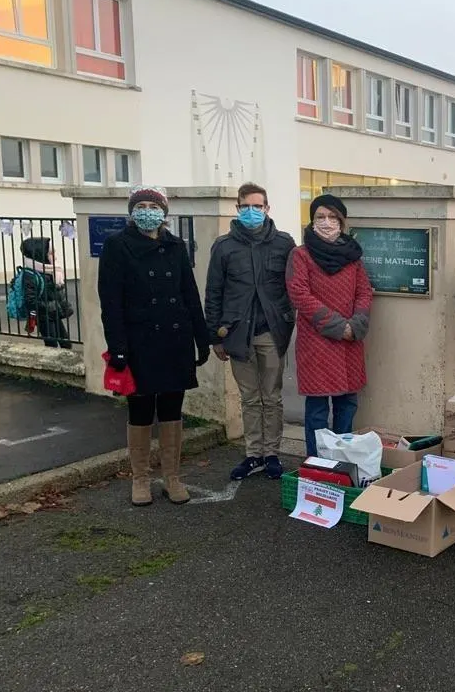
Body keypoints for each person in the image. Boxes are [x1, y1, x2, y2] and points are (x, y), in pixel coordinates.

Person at [98, 185, 210, 507]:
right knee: (141, 409)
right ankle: (141, 479)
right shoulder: (116, 245)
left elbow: (189, 294)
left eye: (153, 205)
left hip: (175, 340)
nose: (147, 210)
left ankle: (172, 477)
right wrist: (118, 348)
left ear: (164, 212)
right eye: (141, 205)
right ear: (132, 212)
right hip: (139, 342)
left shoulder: (176, 245)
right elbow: (111, 302)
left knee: (172, 408)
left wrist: (201, 338)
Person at [205, 182, 297, 481]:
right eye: (245, 206)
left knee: (272, 397)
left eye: (257, 206)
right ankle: (253, 454)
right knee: (249, 398)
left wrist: (287, 319)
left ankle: (272, 454)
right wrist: (214, 336)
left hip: (271, 332)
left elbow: (294, 286)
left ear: (267, 208)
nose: (251, 211)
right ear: (237, 208)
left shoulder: (284, 243)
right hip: (236, 333)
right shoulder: (224, 246)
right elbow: (214, 292)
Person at [286, 194, 373, 457]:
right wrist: (337, 326)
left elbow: (364, 292)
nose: (326, 222)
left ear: (342, 221)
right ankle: (318, 463)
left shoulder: (353, 256)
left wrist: (356, 324)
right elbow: (299, 294)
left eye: (333, 217)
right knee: (318, 409)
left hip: (349, 341)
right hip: (317, 342)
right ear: (311, 221)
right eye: (320, 217)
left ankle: (342, 458)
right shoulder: (300, 255)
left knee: (347, 404)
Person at [20, 237, 74, 349]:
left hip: (54, 312)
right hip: (44, 316)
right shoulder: (30, 275)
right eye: (51, 253)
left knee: (66, 343)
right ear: (40, 255)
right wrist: (49, 306)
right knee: (51, 345)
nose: (55, 257)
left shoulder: (50, 270)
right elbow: (30, 300)